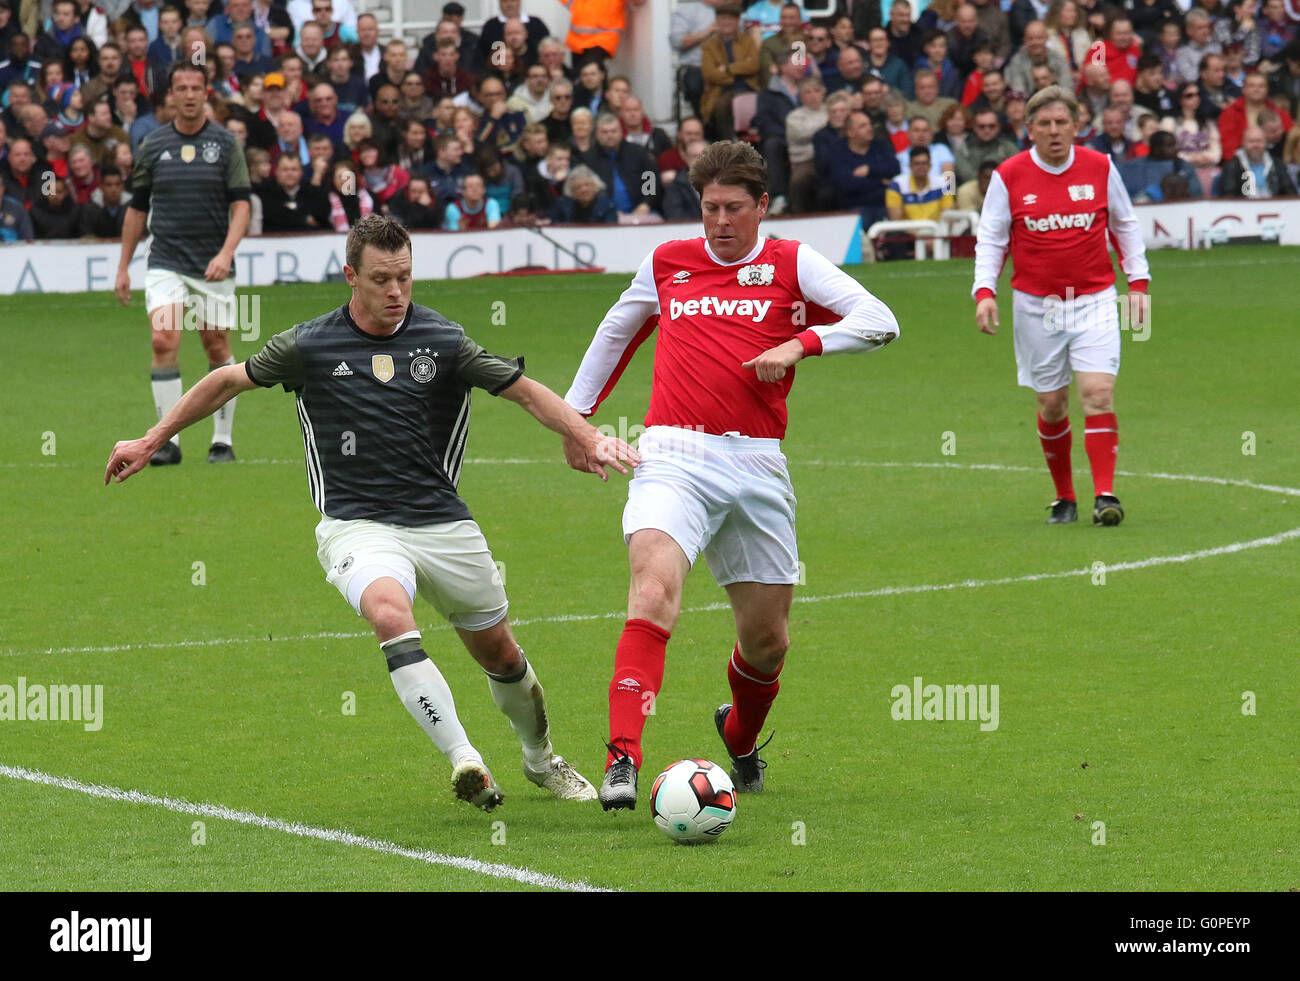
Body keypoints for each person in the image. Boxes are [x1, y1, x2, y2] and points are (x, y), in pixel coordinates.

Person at [106, 214, 627, 811]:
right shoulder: (309, 344)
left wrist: (584, 435)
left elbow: (524, 390)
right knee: (388, 613)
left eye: (405, 277)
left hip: (441, 522)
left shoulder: (444, 340)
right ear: (351, 276)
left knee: (500, 655)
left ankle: (541, 760)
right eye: (381, 279)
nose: (396, 291)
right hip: (357, 525)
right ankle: (466, 760)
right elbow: (226, 380)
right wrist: (153, 438)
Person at [562, 139, 899, 811]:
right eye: (709, 207)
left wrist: (801, 342)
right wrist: (576, 417)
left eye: (734, 208)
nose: (719, 221)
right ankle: (622, 757)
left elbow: (879, 320)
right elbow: (617, 329)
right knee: (653, 588)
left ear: (763, 206)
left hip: (756, 462)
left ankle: (739, 736)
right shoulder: (669, 263)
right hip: (672, 455)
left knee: (767, 642)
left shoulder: (791, 262)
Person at [973, 85, 1150, 527]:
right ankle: (1064, 496)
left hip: (1095, 300)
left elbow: (1125, 225)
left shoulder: (1100, 167)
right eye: (1044, 125)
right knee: (1052, 403)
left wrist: (1139, 283)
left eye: (1062, 123)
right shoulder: (1009, 175)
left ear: (1076, 126)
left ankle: (1105, 495)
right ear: (1029, 129)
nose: (1054, 132)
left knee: (1097, 393)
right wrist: (984, 292)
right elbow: (992, 237)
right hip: (1036, 306)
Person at [114, 61, 251, 467]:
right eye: (181, 88)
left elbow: (241, 204)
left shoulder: (226, 144)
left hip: (212, 265)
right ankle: (165, 443)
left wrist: (226, 253)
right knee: (163, 340)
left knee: (216, 345)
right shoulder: (153, 145)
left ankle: (221, 441)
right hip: (165, 261)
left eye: (196, 87)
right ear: (170, 95)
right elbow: (137, 209)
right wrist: (123, 266)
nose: (189, 94)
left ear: (207, 93)